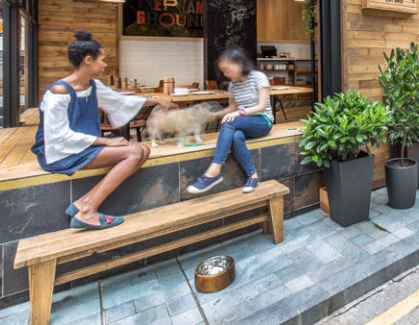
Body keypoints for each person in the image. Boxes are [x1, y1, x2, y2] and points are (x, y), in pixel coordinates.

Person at [32, 30, 173, 230]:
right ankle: (88, 210)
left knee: (144, 150)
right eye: (103, 59)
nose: (105, 64)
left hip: (82, 148)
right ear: (88, 60)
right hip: (57, 152)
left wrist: (154, 100)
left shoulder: (92, 86)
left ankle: (84, 203)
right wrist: (107, 141)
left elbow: (120, 101)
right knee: (134, 152)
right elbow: (58, 136)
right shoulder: (59, 91)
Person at [187, 48, 273, 195]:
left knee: (230, 122)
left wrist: (239, 113)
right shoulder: (233, 85)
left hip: (262, 120)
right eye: (223, 71)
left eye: (227, 70)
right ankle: (253, 176)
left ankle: (214, 170)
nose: (226, 74)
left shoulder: (258, 77)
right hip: (243, 121)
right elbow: (232, 107)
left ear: (239, 63)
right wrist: (214, 115)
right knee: (235, 136)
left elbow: (262, 105)